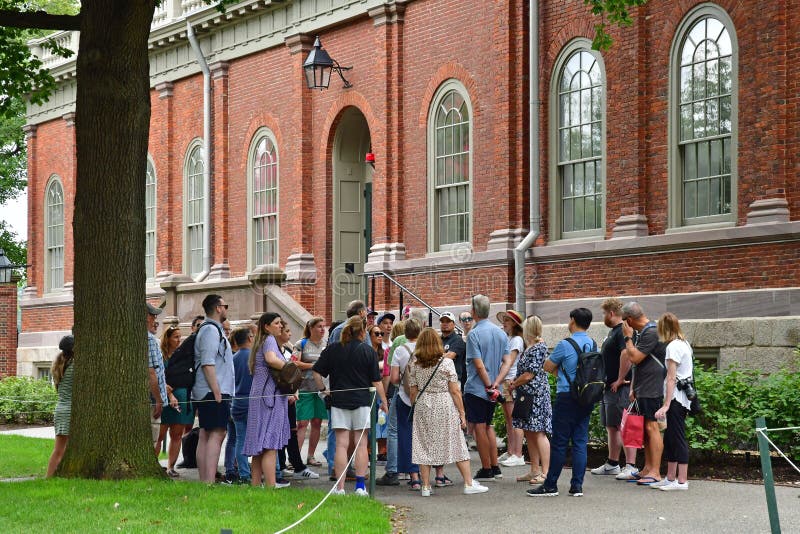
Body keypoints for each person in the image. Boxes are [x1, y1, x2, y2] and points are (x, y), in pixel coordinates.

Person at [313, 316, 389, 495]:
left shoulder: (332, 349)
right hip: (362, 401)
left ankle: (339, 488)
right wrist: (384, 402)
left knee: (341, 444)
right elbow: (376, 381)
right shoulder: (368, 351)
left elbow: (316, 371)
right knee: (361, 445)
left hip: (339, 401)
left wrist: (324, 389)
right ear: (363, 331)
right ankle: (360, 487)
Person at [409, 328, 489, 496]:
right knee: (456, 441)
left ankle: (425, 486)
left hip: (423, 404)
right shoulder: (446, 363)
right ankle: (468, 483)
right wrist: (462, 413)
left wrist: (416, 406)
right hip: (444, 403)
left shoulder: (415, 364)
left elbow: (413, 391)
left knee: (423, 444)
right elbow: (454, 391)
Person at [528, 308, 596, 497]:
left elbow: (548, 366)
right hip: (586, 396)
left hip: (567, 395)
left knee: (559, 441)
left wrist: (564, 376)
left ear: (573, 320)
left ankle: (551, 485)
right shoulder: (593, 343)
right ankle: (577, 486)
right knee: (580, 441)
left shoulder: (565, 344)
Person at [464, 294, 512, 481]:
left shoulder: (474, 334)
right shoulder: (500, 332)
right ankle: (494, 465)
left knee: (479, 428)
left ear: (474, 311)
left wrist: (487, 384)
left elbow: (478, 364)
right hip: (493, 388)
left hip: (477, 387)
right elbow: (507, 361)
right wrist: (497, 382)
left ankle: (486, 468)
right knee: (487, 426)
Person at [591, 297, 639, 480]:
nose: (603, 316)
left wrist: (620, 379)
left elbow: (626, 353)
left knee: (626, 424)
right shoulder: (613, 332)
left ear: (611, 313)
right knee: (612, 426)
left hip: (620, 387)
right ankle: (612, 463)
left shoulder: (622, 331)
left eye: (604, 313)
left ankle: (631, 466)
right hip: (610, 387)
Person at [243, 312, 291, 488]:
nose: (280, 326)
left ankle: (255, 486)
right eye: (277, 323)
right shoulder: (270, 339)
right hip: (269, 396)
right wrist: (291, 369)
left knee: (258, 446)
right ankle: (271, 487)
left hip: (259, 395)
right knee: (270, 445)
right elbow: (271, 360)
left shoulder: (260, 342)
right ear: (267, 326)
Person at [621, 301, 667, 486]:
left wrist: (627, 338)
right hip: (643, 388)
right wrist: (633, 387)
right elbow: (637, 365)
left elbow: (635, 357)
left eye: (624, 321)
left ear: (629, 320)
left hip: (652, 388)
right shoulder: (645, 331)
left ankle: (655, 472)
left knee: (652, 428)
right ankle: (647, 468)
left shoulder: (651, 331)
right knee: (646, 430)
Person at [191, 294, 235, 483]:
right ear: (218, 308)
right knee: (216, 433)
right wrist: (217, 392)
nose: (226, 308)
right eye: (225, 305)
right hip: (213, 391)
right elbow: (208, 363)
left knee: (206, 433)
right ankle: (208, 481)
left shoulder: (212, 329)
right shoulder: (210, 331)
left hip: (211, 390)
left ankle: (205, 481)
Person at [506, 315, 551, 485]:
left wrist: (514, 384)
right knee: (530, 432)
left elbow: (529, 374)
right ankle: (534, 470)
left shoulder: (538, 346)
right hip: (528, 395)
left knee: (539, 432)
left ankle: (545, 472)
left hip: (536, 395)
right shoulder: (531, 346)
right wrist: (516, 381)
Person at [651, 313, 693, 491]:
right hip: (681, 397)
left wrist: (666, 404)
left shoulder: (673, 347)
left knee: (677, 437)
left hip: (676, 398)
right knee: (671, 437)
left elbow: (671, 377)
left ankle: (681, 481)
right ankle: (670, 477)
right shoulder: (684, 344)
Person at [276, 322, 318, 480]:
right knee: (282, 433)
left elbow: (294, 374)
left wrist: (295, 391)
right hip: (281, 398)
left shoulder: (287, 349)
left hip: (292, 397)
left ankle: (296, 465)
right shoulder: (274, 352)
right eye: (286, 331)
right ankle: (280, 465)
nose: (289, 334)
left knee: (291, 432)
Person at [390, 318, 423, 490]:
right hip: (425, 398)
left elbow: (394, 378)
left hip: (405, 396)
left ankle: (414, 475)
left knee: (405, 435)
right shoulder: (426, 349)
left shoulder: (400, 351)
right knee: (424, 435)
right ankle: (430, 474)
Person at [159, 325, 194, 477]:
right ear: (168, 338)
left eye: (180, 337)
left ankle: (170, 467)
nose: (179, 340)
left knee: (177, 434)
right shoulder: (161, 356)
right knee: (160, 434)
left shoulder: (183, 355)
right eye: (175, 337)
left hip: (183, 396)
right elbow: (159, 378)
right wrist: (169, 394)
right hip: (165, 397)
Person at [376, 319, 407, 487]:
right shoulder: (417, 343)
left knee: (393, 430)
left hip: (397, 391)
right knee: (409, 429)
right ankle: (413, 470)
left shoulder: (394, 347)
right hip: (416, 392)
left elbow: (388, 374)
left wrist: (384, 397)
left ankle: (393, 470)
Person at [295, 317, 327, 467]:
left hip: (320, 390)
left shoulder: (326, 345)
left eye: (324, 326)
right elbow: (295, 363)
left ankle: (311, 456)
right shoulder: (301, 344)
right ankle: (295, 458)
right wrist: (314, 366)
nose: (322, 329)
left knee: (317, 422)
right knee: (302, 423)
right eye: (319, 326)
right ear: (311, 328)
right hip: (304, 388)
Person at [497, 309, 526, 467]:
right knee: (509, 419)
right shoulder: (509, 339)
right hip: (506, 380)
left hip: (510, 380)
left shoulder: (516, 340)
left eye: (507, 321)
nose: (504, 323)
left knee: (514, 419)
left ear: (514, 324)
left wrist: (499, 379)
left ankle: (518, 453)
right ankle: (510, 451)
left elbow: (509, 362)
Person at [47, 334, 74, 477]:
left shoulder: (61, 364)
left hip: (61, 409)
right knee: (60, 450)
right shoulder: (74, 366)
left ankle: (55, 477)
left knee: (60, 449)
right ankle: (49, 478)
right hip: (68, 411)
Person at [231, 327, 254, 484]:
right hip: (253, 402)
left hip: (237, 402)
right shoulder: (254, 358)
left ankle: (244, 473)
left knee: (240, 439)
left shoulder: (233, 358)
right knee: (259, 439)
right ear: (249, 339)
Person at [146, 302, 169, 456]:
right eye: (152, 315)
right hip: (151, 399)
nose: (155, 318)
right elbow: (151, 372)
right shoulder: (150, 340)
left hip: (147, 397)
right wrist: (158, 400)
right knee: (154, 438)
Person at [369, 324, 389, 458]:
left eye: (381, 333)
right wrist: (380, 366)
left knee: (383, 421)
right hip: (369, 391)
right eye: (376, 334)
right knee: (370, 422)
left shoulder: (384, 352)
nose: (380, 336)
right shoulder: (366, 351)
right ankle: (369, 449)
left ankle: (382, 450)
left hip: (382, 390)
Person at [440, 312, 466, 390]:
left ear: (454, 324)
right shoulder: (437, 339)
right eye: (442, 322)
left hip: (453, 380)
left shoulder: (458, 339)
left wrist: (434, 355)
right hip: (440, 380)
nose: (445, 324)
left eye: (448, 321)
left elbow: (449, 357)